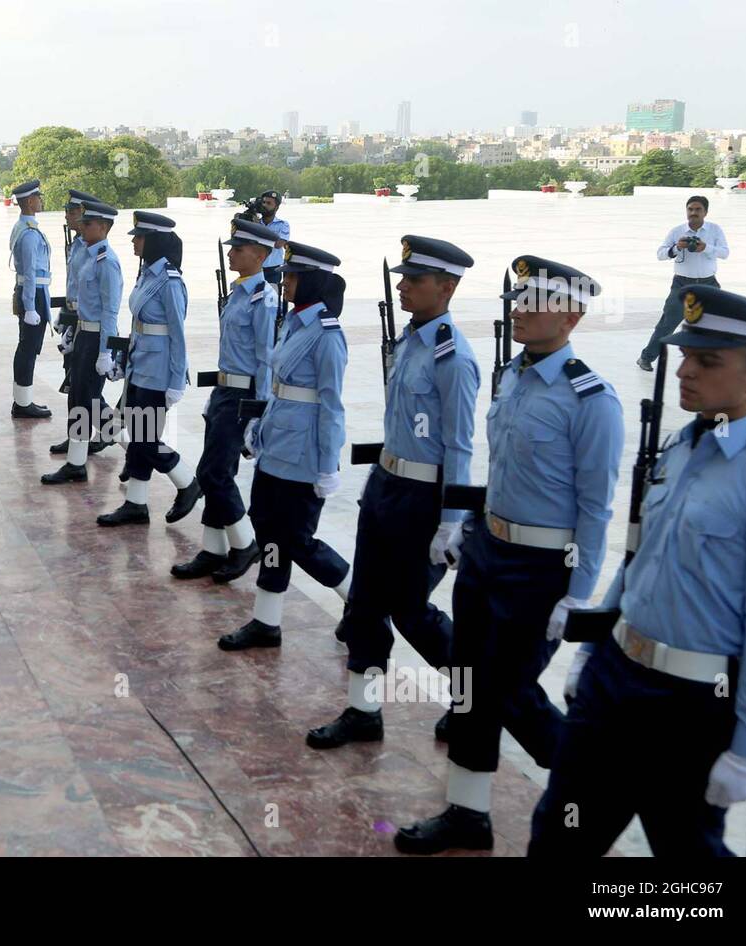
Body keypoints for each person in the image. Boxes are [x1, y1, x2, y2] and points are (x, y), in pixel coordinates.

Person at [530, 285, 746, 857]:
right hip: (614, 683)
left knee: (686, 858)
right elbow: (636, 560)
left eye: (707, 361)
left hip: (693, 706)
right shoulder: (678, 447)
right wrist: (592, 651)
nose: (685, 369)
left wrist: (744, 747)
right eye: (685, 354)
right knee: (560, 835)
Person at [395, 256, 624, 855]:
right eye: (518, 298)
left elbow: (596, 507)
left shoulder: (591, 400)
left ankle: (586, 781)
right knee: (468, 684)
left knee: (513, 692)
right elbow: (500, 469)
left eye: (536, 301)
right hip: (487, 552)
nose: (519, 308)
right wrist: (462, 525)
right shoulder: (513, 376)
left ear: (572, 314)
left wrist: (579, 591)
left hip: (542, 570)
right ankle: (468, 813)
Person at [310, 235, 478, 750]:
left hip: (423, 500)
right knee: (363, 604)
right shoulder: (410, 339)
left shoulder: (453, 355)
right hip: (385, 487)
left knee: (411, 611)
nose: (402, 287)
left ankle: (471, 697)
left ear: (446, 287)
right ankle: (363, 711)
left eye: (415, 280)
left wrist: (452, 520)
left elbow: (461, 446)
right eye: (402, 277)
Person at [217, 242, 352, 651]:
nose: (286, 283)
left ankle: (359, 599)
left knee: (299, 540)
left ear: (312, 281)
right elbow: (280, 385)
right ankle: (266, 620)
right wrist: (259, 424)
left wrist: (328, 465)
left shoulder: (327, 335)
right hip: (277, 447)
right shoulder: (294, 322)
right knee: (269, 531)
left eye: (293, 277)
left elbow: (331, 405)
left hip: (304, 456)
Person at [170, 218, 277, 582]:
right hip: (224, 391)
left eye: (238, 249)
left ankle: (245, 544)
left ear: (260, 255)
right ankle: (213, 549)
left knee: (212, 473)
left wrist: (258, 411)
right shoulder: (238, 292)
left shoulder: (264, 298)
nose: (231, 254)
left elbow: (265, 358)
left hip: (243, 394)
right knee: (220, 472)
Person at [96, 212, 199, 526]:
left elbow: (178, 335)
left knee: (144, 438)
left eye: (139, 237)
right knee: (141, 438)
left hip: (159, 372)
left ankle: (187, 483)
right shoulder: (147, 274)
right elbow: (139, 324)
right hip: (140, 365)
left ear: (154, 240)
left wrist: (176, 380)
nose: (134, 242)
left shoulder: (170, 281)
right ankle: (136, 505)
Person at [42, 200, 121, 485]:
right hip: (85, 334)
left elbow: (110, 312)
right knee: (78, 398)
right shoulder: (89, 255)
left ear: (104, 227)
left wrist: (105, 351)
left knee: (87, 398)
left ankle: (134, 445)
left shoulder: (107, 262)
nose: (82, 227)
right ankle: (76, 462)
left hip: (98, 336)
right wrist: (71, 331)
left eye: (88, 224)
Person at [50, 189, 110, 456]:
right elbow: (72, 286)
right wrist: (65, 316)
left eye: (74, 214)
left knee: (87, 391)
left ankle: (112, 433)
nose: (70, 218)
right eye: (73, 214)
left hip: (91, 326)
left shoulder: (96, 253)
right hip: (76, 320)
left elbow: (103, 303)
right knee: (76, 386)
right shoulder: (77, 245)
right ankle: (76, 440)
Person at [638, 195, 729, 372]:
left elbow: (725, 253)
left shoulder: (715, 230)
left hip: (708, 284)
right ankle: (646, 357)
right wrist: (676, 248)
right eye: (690, 209)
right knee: (667, 324)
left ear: (705, 212)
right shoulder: (677, 231)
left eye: (698, 209)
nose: (693, 213)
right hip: (682, 285)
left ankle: (713, 363)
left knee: (716, 324)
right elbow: (660, 254)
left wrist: (706, 248)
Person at [9, 179, 53, 419]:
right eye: (38, 197)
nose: (41, 200)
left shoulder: (26, 227)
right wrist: (30, 307)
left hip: (36, 295)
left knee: (27, 347)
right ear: (28, 201)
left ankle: (22, 400)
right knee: (27, 349)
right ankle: (23, 404)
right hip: (33, 296)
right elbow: (29, 273)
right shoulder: (28, 234)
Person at [257, 190, 290, 285]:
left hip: (273, 271)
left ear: (276, 207)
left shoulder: (283, 224)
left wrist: (258, 231)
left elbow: (278, 244)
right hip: (255, 269)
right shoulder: (255, 222)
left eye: (269, 203)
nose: (264, 205)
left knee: (272, 298)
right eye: (263, 202)